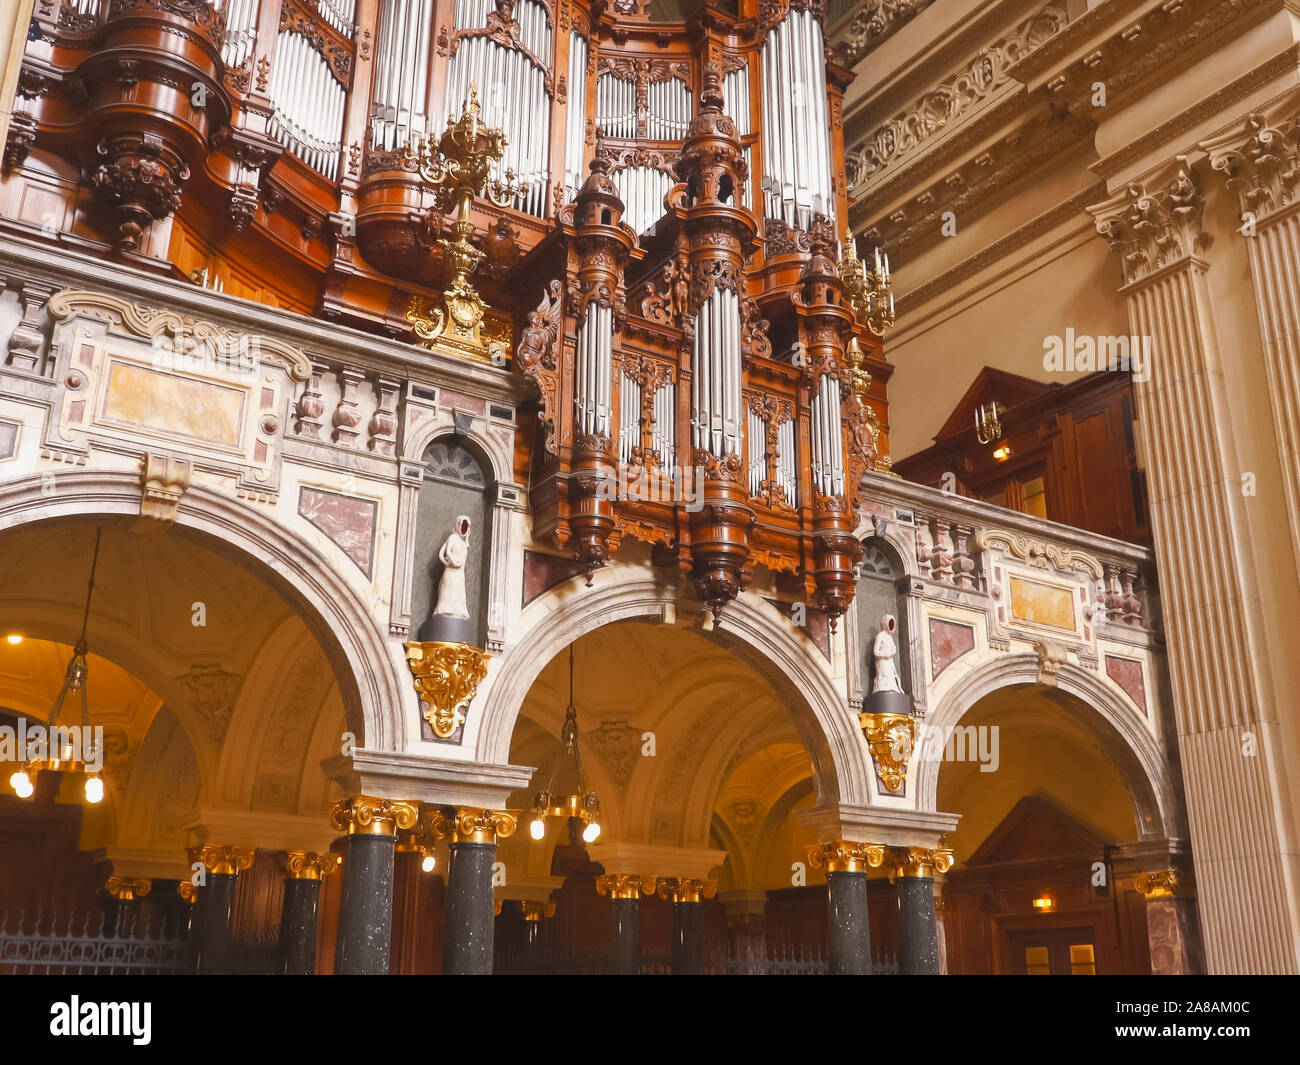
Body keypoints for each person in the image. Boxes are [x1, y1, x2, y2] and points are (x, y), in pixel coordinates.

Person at [433, 516, 471, 618]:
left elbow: (464, 553)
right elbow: (444, 552)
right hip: (451, 570)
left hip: (460, 572)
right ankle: (444, 610)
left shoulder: (463, 542)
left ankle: (459, 611)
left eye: (467, 527)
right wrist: (451, 562)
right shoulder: (452, 537)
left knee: (458, 592)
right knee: (448, 589)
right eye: (463, 526)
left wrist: (467, 538)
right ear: (458, 525)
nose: (465, 529)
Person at [872, 614, 904, 693]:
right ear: (885, 623)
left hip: (889, 661)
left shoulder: (890, 637)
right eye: (890, 623)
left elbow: (894, 648)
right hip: (882, 661)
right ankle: (881, 688)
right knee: (883, 676)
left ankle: (892, 688)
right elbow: (875, 651)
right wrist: (885, 656)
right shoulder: (880, 636)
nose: (892, 626)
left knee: (891, 676)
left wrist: (891, 653)